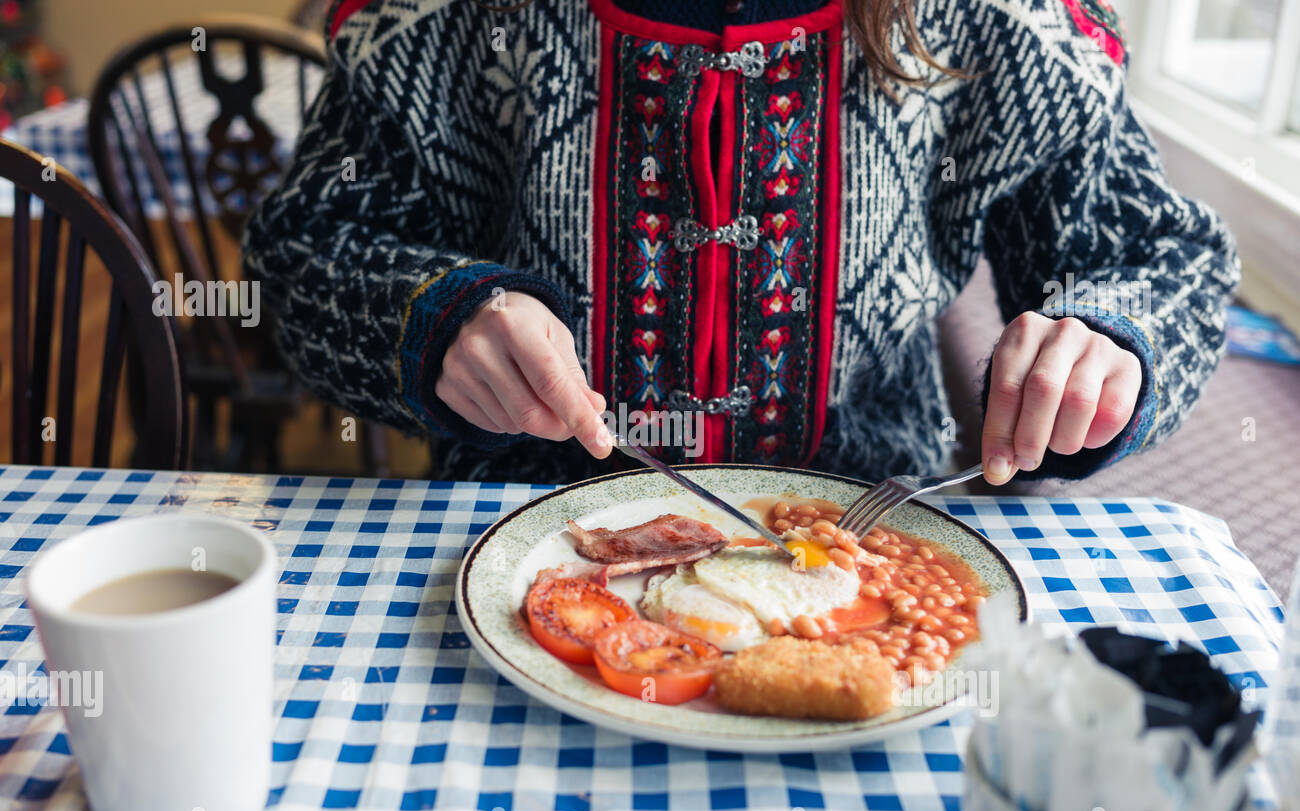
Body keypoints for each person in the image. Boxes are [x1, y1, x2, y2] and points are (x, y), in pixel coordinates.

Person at [243, 0, 1238, 485]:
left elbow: (1162, 262)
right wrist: (438, 314)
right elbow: (307, 251)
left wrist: (1106, 343)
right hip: (511, 564)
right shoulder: (440, 16)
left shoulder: (997, 17)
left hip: (875, 548)